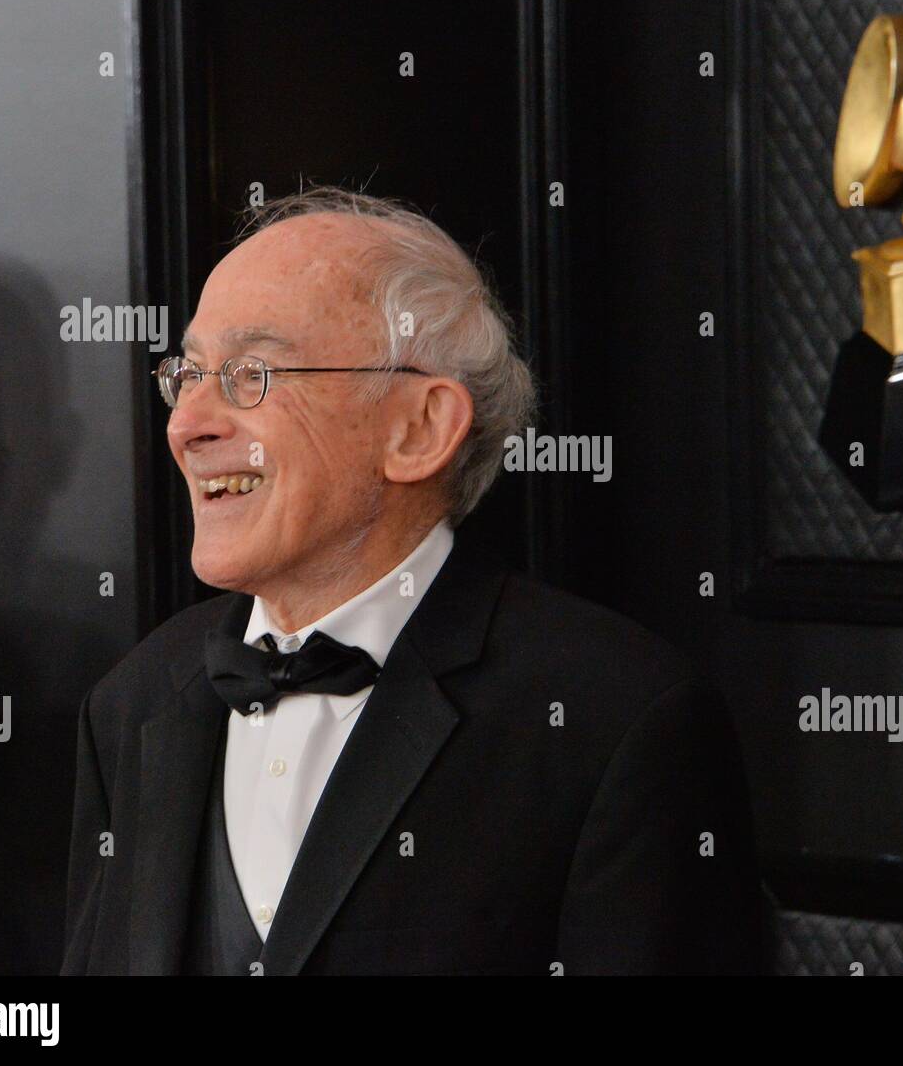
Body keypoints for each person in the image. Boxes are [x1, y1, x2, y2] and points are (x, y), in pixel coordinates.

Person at [60, 188, 760, 975]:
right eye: (187, 374)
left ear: (419, 428)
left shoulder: (619, 721)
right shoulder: (134, 700)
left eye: (251, 373)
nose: (188, 424)